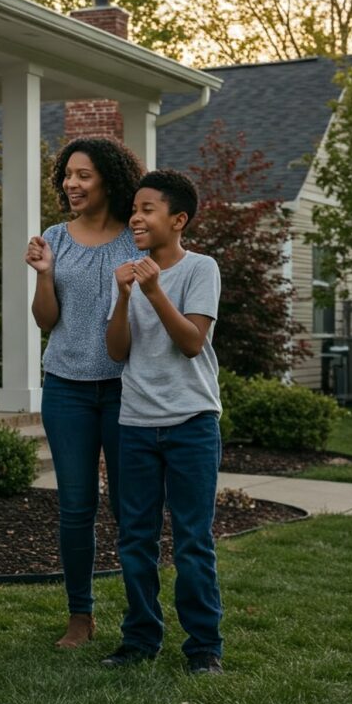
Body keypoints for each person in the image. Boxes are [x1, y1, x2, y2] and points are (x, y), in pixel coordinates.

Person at [103, 169, 225, 674]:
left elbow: (193, 341)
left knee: (193, 539)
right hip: (135, 422)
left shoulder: (201, 269)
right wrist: (127, 296)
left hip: (191, 421)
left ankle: (203, 648)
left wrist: (153, 292)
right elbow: (117, 352)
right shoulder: (129, 272)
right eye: (134, 207)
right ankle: (140, 639)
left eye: (147, 208)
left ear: (178, 220)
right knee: (135, 537)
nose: (135, 215)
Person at [26, 137, 144, 649]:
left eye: (85, 176)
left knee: (129, 506)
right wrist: (45, 276)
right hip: (67, 389)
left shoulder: (136, 239)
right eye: (68, 175)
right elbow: (45, 321)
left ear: (109, 181)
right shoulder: (56, 237)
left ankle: (142, 617)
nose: (72, 184)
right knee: (76, 506)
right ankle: (81, 614)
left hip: (125, 390)